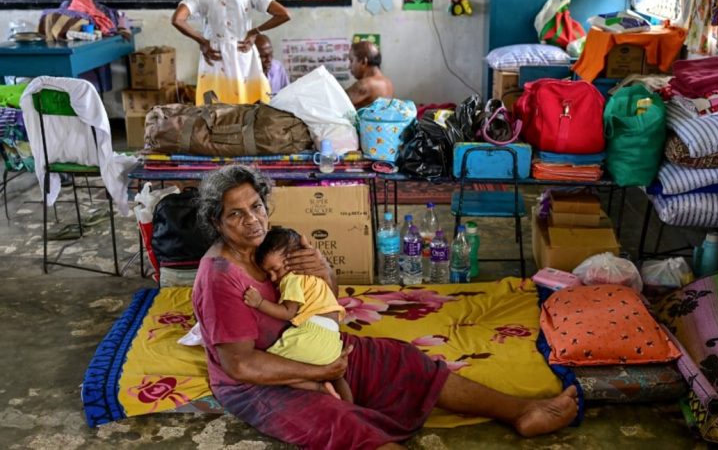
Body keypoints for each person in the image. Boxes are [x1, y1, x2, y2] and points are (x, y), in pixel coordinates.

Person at [193, 164, 579, 449]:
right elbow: (240, 364)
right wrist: (322, 370)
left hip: (308, 346)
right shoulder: (221, 276)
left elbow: (324, 300)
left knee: (402, 361)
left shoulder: (272, 245)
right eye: (236, 214)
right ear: (217, 221)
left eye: (257, 207)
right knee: (344, 425)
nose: (252, 220)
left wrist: (325, 272)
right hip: (259, 382)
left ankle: (522, 411)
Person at [243, 226, 352, 403]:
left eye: (276, 270)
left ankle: (319, 388)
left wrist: (259, 303)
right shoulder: (313, 275)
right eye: (268, 273)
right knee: (337, 376)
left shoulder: (292, 279)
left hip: (311, 335)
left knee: (273, 367)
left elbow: (288, 312)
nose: (272, 278)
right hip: (332, 337)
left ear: (292, 261)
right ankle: (350, 406)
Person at [171, 0, 290, 106]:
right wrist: (255, 32)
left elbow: (177, 19)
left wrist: (203, 42)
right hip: (242, 54)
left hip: (215, 56)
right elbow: (284, 14)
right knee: (249, 106)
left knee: (214, 108)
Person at [345, 41, 395, 109]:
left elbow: (334, 102)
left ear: (363, 62)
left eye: (351, 61)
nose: (349, 67)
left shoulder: (364, 85)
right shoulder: (388, 82)